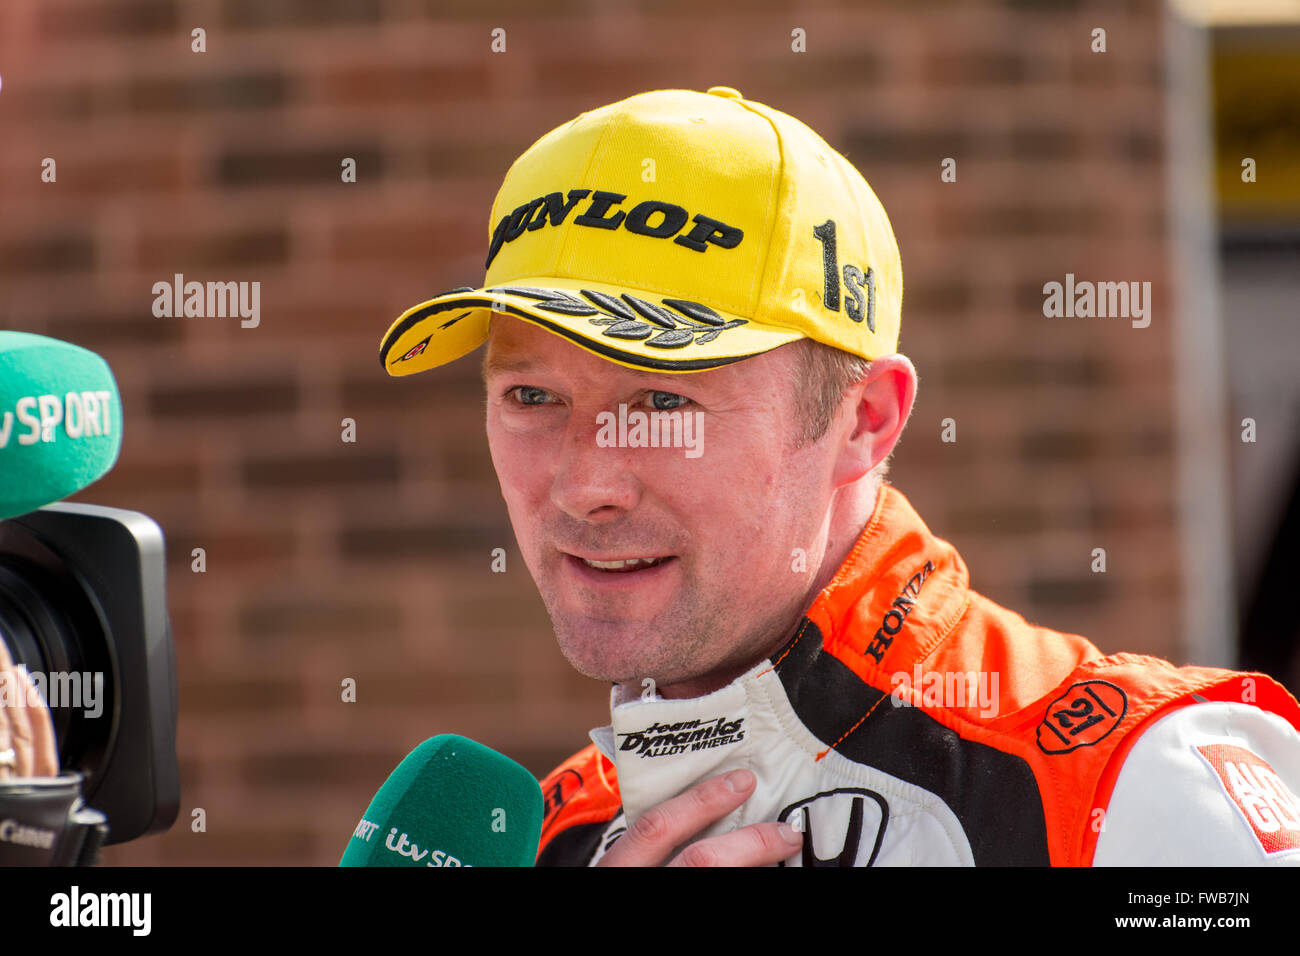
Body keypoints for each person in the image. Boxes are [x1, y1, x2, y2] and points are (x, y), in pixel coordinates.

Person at [379, 87, 1300, 866]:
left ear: (865, 421)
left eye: (664, 403)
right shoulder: (548, 834)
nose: (585, 487)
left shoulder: (1138, 789)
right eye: (532, 396)